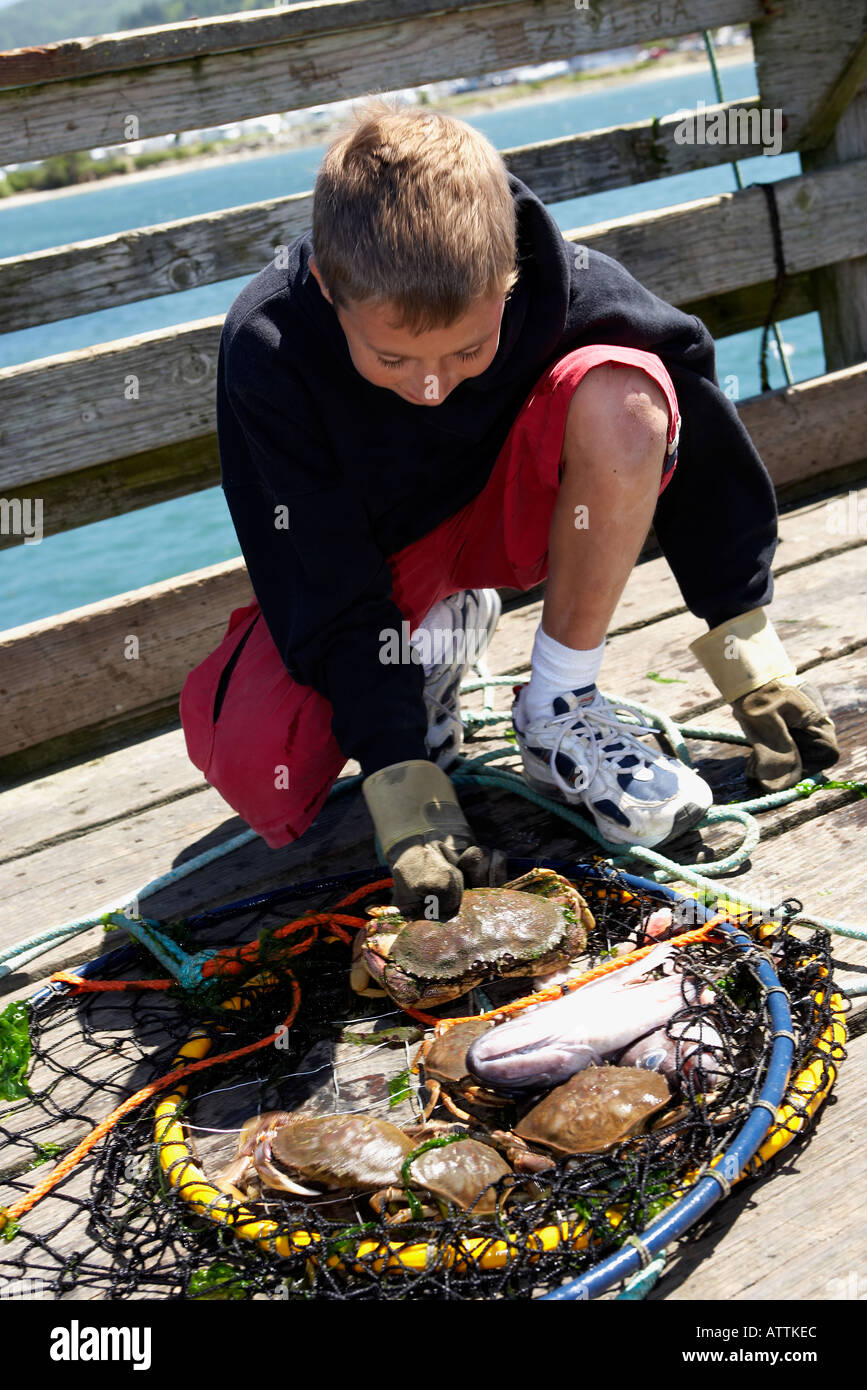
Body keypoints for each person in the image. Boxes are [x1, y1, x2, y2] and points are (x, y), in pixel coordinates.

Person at [180, 99, 838, 920]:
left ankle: (560, 705)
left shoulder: (569, 282)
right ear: (325, 286)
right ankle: (436, 647)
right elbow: (314, 563)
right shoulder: (266, 347)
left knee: (628, 396)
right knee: (249, 759)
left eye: (467, 350)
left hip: (516, 512)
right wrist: (399, 778)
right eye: (392, 357)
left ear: (510, 278)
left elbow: (698, 425)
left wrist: (747, 647)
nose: (429, 385)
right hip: (376, 556)